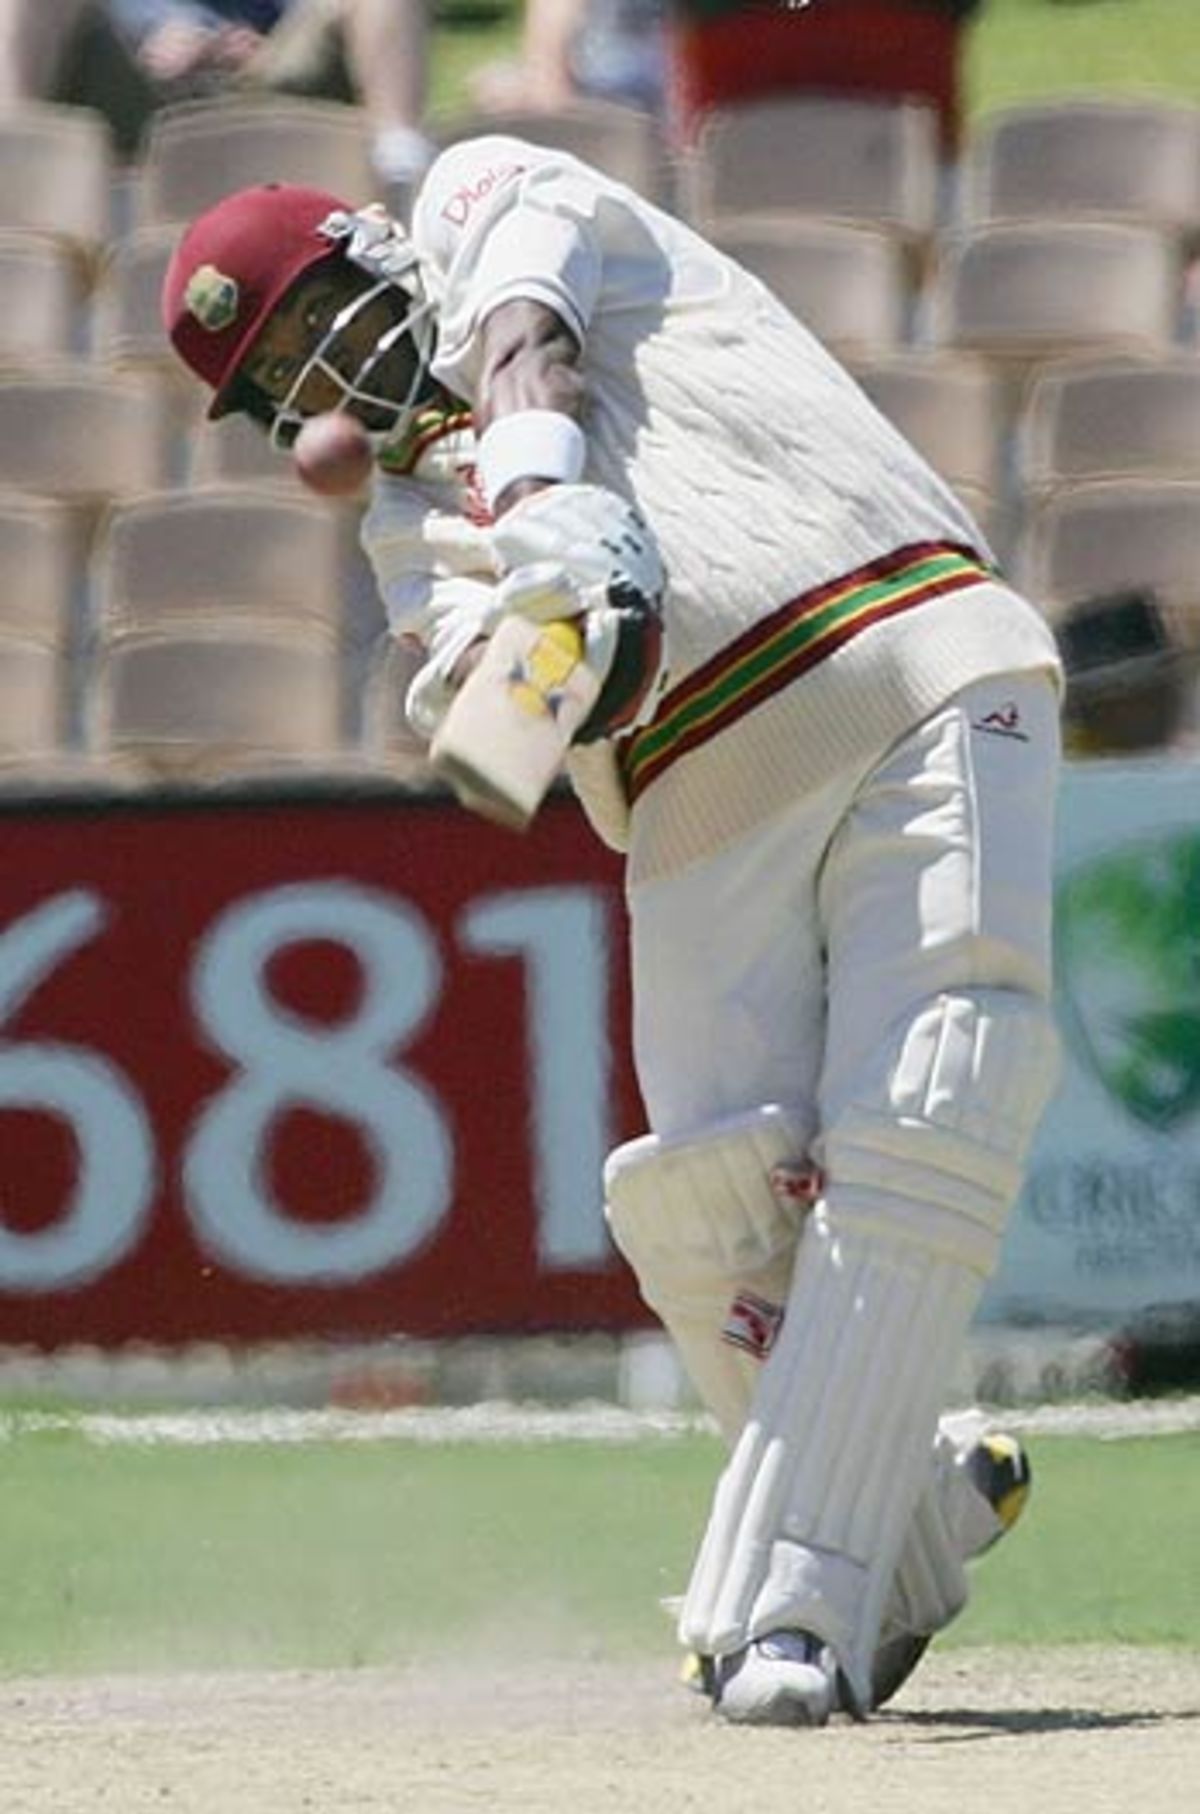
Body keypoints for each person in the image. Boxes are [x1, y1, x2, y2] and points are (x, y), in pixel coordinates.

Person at [160, 138, 1062, 1725]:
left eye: (312, 316)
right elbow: (503, 759)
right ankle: (907, 1516)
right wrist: (533, 649)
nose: (329, 371)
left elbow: (529, 336)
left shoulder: (478, 196)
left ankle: (789, 1611)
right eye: (285, 375)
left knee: (932, 1104)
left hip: (911, 653)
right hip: (704, 800)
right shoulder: (399, 519)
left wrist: (546, 498)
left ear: (365, 245)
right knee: (702, 1208)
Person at [0, 0, 433, 189]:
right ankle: (15, 157)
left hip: (266, 72)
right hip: (139, 77)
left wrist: (256, 40)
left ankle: (399, 164)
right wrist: (152, 34)